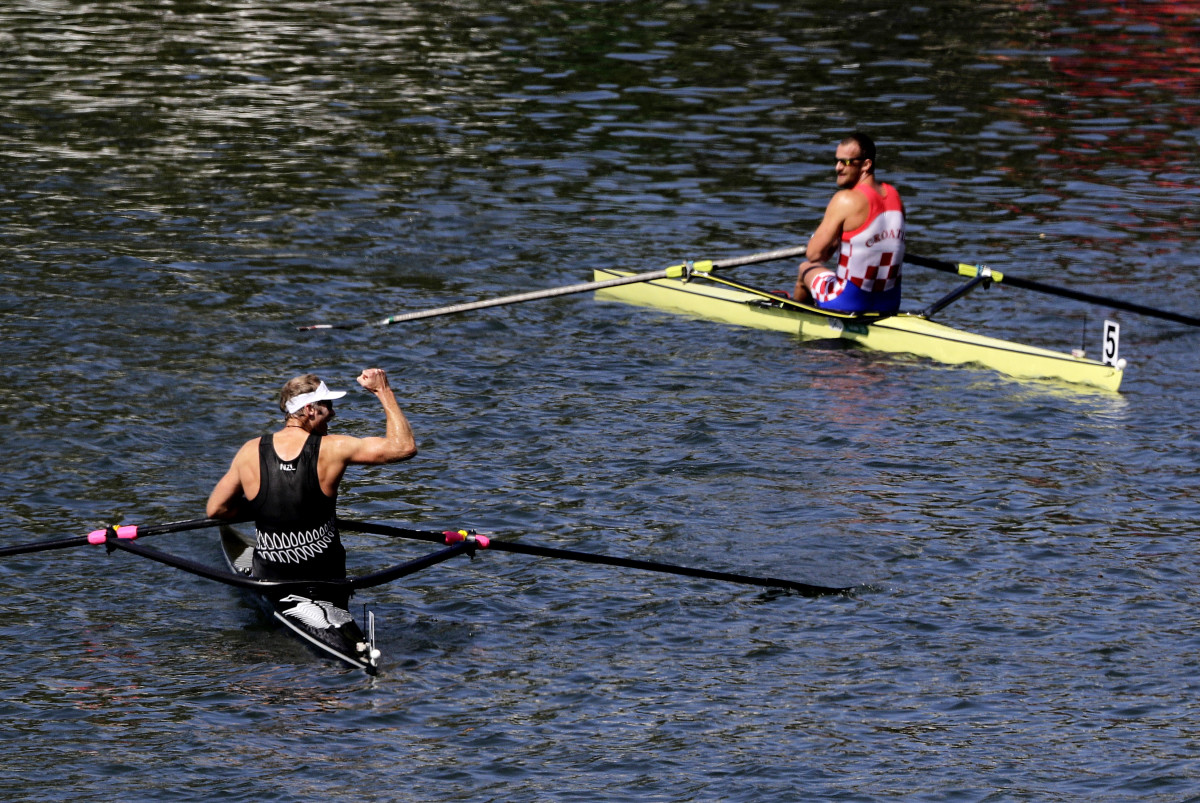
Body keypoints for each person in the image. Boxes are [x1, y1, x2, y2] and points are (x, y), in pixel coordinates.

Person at [206, 368, 417, 583]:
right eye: (328, 405)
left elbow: (216, 509)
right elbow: (403, 447)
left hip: (269, 580)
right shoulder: (334, 447)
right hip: (327, 580)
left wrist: (266, 508)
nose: (333, 413)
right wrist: (383, 390)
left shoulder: (250, 451)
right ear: (309, 409)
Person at [793, 132, 905, 314]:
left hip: (848, 303)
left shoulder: (845, 199)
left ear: (866, 164)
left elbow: (814, 254)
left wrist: (829, 241)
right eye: (836, 161)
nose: (838, 167)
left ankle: (796, 317)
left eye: (845, 162)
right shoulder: (894, 196)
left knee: (806, 268)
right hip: (889, 304)